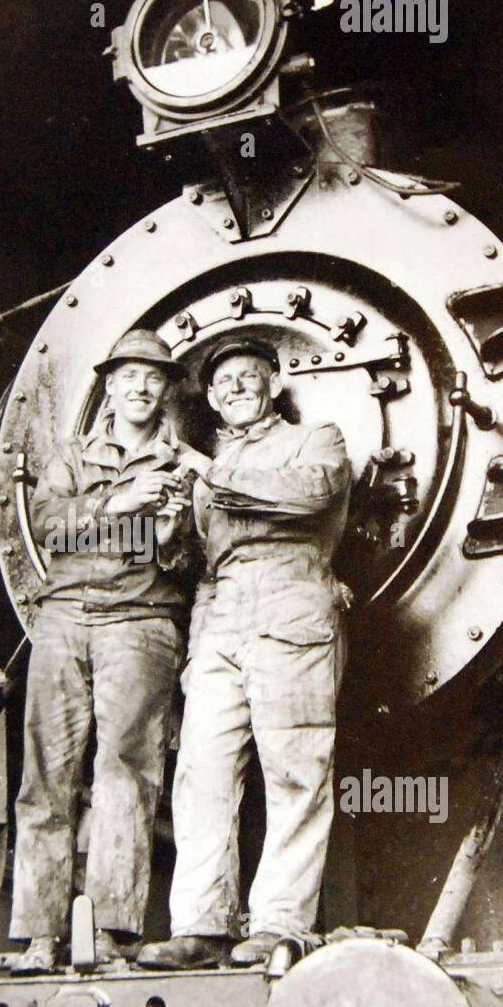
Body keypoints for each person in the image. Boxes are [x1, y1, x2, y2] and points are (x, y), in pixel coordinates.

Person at [137, 335, 352, 970]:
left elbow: (308, 495)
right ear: (209, 396)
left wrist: (207, 473)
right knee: (201, 771)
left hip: (291, 600)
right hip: (221, 614)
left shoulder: (317, 440)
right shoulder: (208, 468)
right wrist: (170, 527)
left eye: (246, 375)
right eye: (221, 381)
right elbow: (192, 560)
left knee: (295, 768)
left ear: (275, 381)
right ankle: (202, 924)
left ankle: (281, 922)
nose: (233, 387)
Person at [9, 329, 210, 972]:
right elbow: (47, 526)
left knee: (126, 774)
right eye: (128, 377)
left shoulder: (186, 465)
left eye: (153, 378)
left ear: (166, 389)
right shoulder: (69, 456)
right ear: (111, 385)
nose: (140, 388)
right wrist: (122, 507)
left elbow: (182, 558)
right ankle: (41, 936)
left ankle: (109, 933)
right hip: (63, 621)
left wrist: (169, 526)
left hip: (142, 624)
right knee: (46, 777)